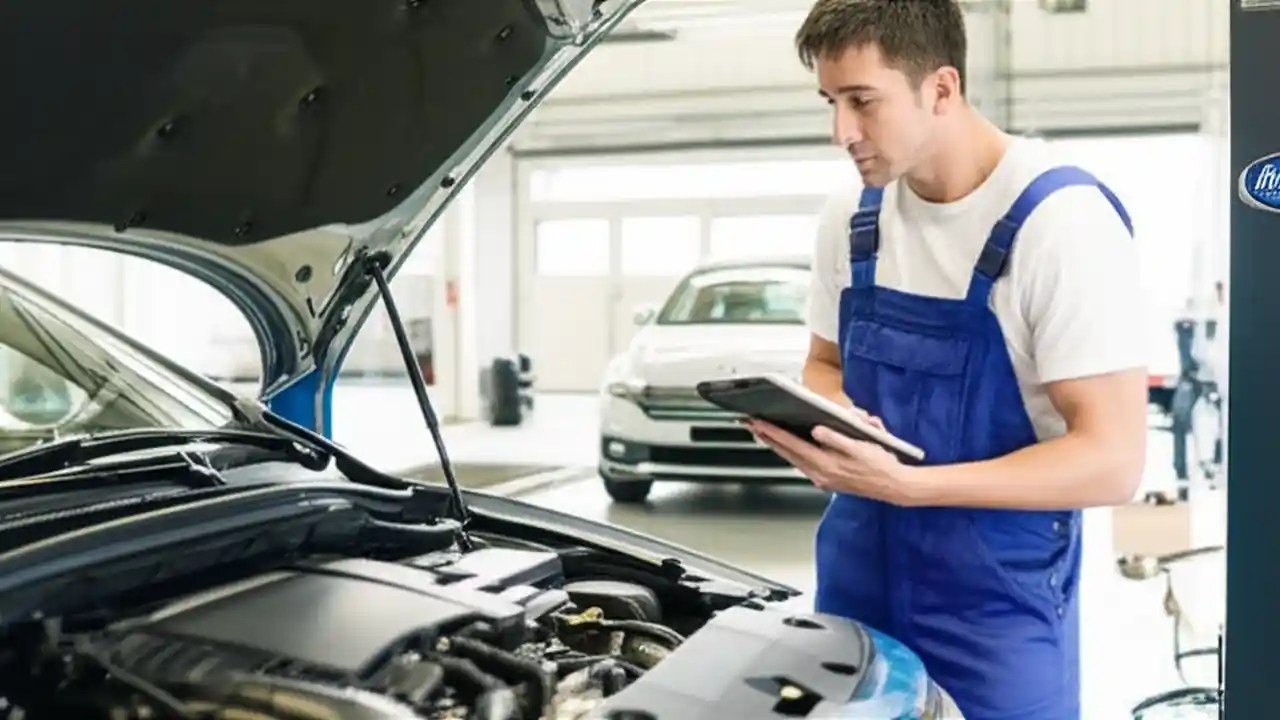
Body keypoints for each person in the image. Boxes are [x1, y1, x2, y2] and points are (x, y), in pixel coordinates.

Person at [744, 1, 1149, 718]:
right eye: (831, 102)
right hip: (853, 583)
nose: (842, 132)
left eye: (863, 101)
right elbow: (823, 364)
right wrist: (826, 421)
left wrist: (909, 485)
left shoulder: (1060, 224)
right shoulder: (852, 218)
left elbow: (1113, 460)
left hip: (994, 607)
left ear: (941, 87)